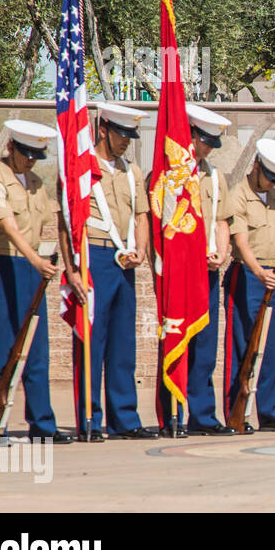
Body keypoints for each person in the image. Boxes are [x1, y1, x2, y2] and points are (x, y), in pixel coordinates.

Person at [0, 120, 70, 443]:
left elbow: (48, 224)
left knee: (37, 352)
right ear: (10, 148)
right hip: (6, 267)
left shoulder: (36, 184)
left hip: (34, 269)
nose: (30, 160)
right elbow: (11, 228)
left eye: (35, 155)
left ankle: (43, 424)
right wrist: (37, 261)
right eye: (25, 154)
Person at [65, 102, 154, 440]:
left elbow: (141, 215)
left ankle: (125, 418)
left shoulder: (132, 172)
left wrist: (142, 250)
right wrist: (73, 265)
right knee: (92, 340)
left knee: (122, 344)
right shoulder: (84, 168)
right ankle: (90, 418)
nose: (126, 142)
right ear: (103, 129)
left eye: (130, 136)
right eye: (121, 134)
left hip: (125, 261)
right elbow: (69, 220)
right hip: (95, 259)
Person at [224, 138, 275, 432]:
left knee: (273, 348)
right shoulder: (237, 196)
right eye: (269, 178)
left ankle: (270, 411)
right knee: (243, 347)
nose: (272, 185)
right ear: (256, 166)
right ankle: (236, 413)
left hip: (274, 277)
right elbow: (241, 242)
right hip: (247, 274)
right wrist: (259, 272)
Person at [180, 104, 237, 435]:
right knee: (177, 341)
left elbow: (221, 221)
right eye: (204, 141)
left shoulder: (215, 177)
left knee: (204, 347)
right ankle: (171, 414)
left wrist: (222, 253)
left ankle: (202, 416)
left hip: (207, 271)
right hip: (179, 271)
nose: (207, 149)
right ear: (191, 135)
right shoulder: (171, 174)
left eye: (212, 144)